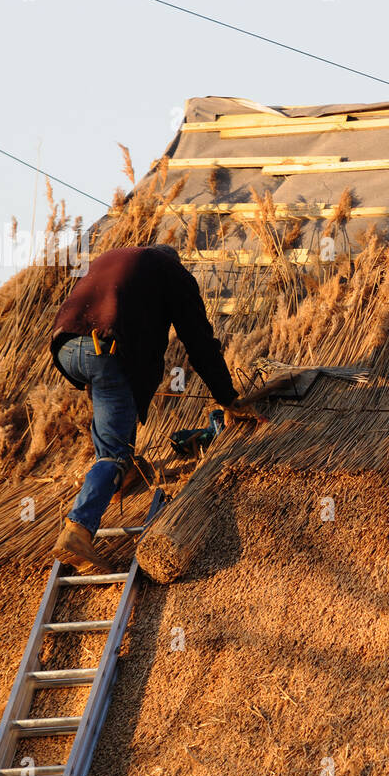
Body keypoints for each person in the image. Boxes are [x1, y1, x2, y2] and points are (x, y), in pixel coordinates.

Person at [48, 244, 255, 569]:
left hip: (66, 348)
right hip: (105, 350)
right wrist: (227, 398)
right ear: (176, 263)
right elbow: (199, 342)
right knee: (113, 454)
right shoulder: (172, 272)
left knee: (114, 425)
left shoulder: (114, 261)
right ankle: (78, 528)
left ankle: (119, 473)